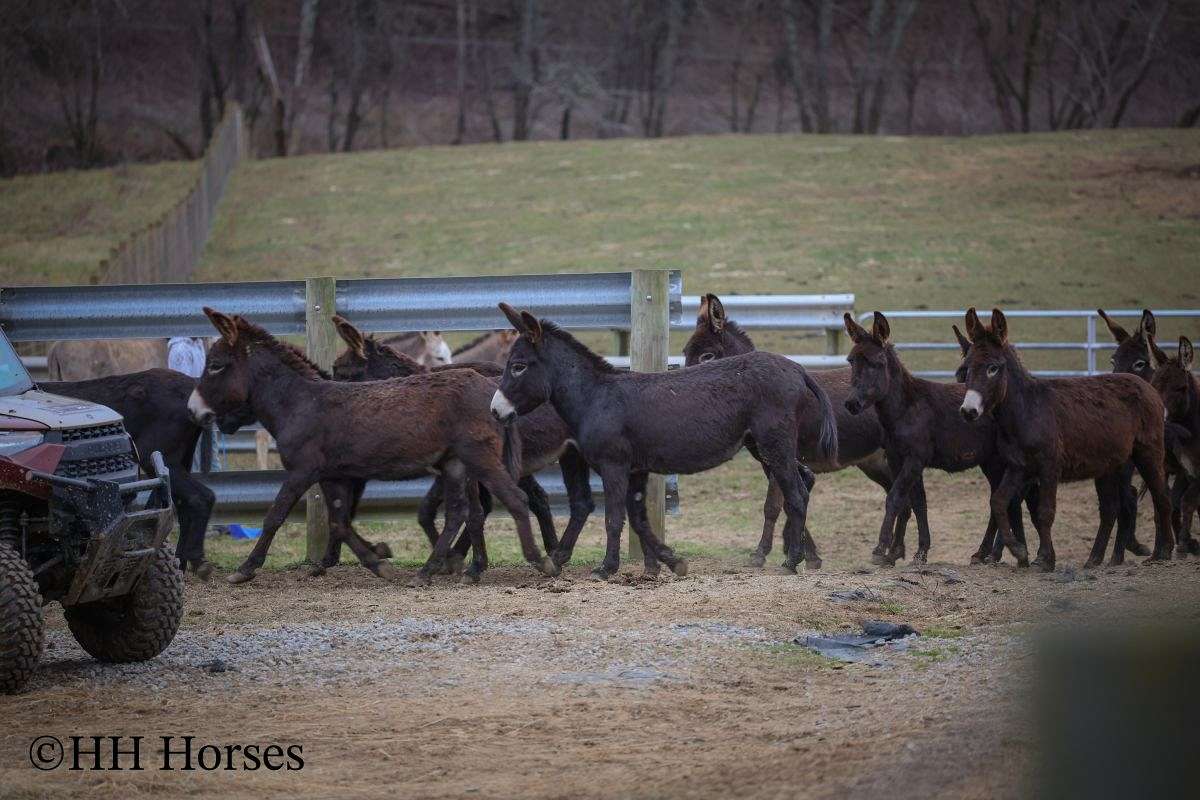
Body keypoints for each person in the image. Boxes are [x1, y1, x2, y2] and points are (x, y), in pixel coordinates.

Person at [168, 337, 222, 471]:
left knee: (211, 455)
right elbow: (183, 386)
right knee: (194, 457)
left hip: (205, 408)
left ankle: (218, 485)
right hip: (192, 413)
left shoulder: (198, 344)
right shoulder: (180, 349)